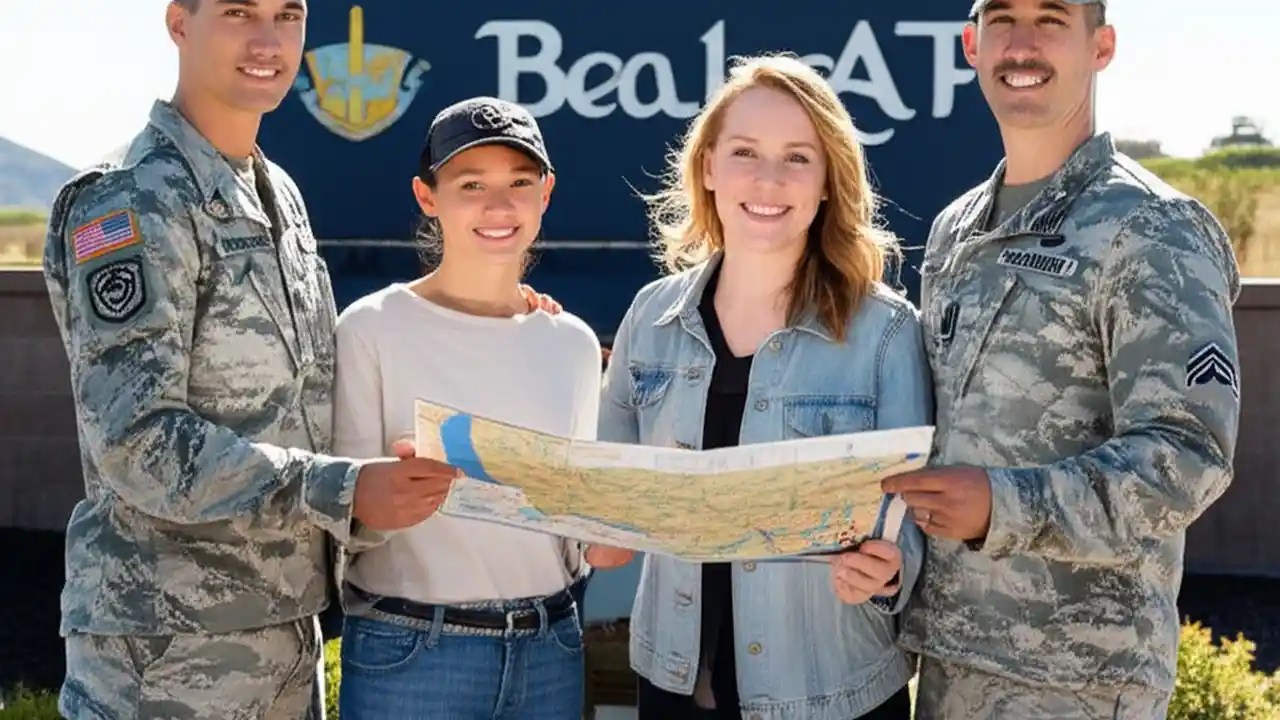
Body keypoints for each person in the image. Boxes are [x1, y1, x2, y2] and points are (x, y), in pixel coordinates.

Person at [39, 2, 555, 717]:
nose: (268, 40)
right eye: (238, 12)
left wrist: (498, 305)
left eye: (288, 14)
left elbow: (310, 392)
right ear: (179, 23)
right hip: (163, 660)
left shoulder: (276, 192)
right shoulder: (129, 200)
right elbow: (136, 443)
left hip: (285, 644)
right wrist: (343, 490)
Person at [882, 1, 1242, 717]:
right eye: (1002, 19)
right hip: (951, 660)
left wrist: (1004, 505)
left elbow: (1189, 456)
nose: (1022, 44)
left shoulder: (1151, 228)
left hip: (1077, 678)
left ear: (1100, 47)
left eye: (1051, 19)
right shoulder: (958, 229)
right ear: (972, 45)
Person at [598, 55, 933, 720]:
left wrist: (890, 569)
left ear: (829, 180)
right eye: (745, 152)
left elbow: (918, 518)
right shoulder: (649, 317)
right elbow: (605, 505)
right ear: (708, 168)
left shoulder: (886, 331)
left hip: (834, 694)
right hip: (671, 686)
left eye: (798, 158)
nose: (769, 180)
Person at [330, 96, 632, 720]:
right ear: (427, 196)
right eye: (471, 185)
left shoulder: (573, 344)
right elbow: (339, 519)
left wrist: (611, 533)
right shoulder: (369, 329)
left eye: (519, 183)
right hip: (411, 654)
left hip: (551, 650)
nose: (499, 206)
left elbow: (578, 523)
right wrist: (383, 498)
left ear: (546, 194)